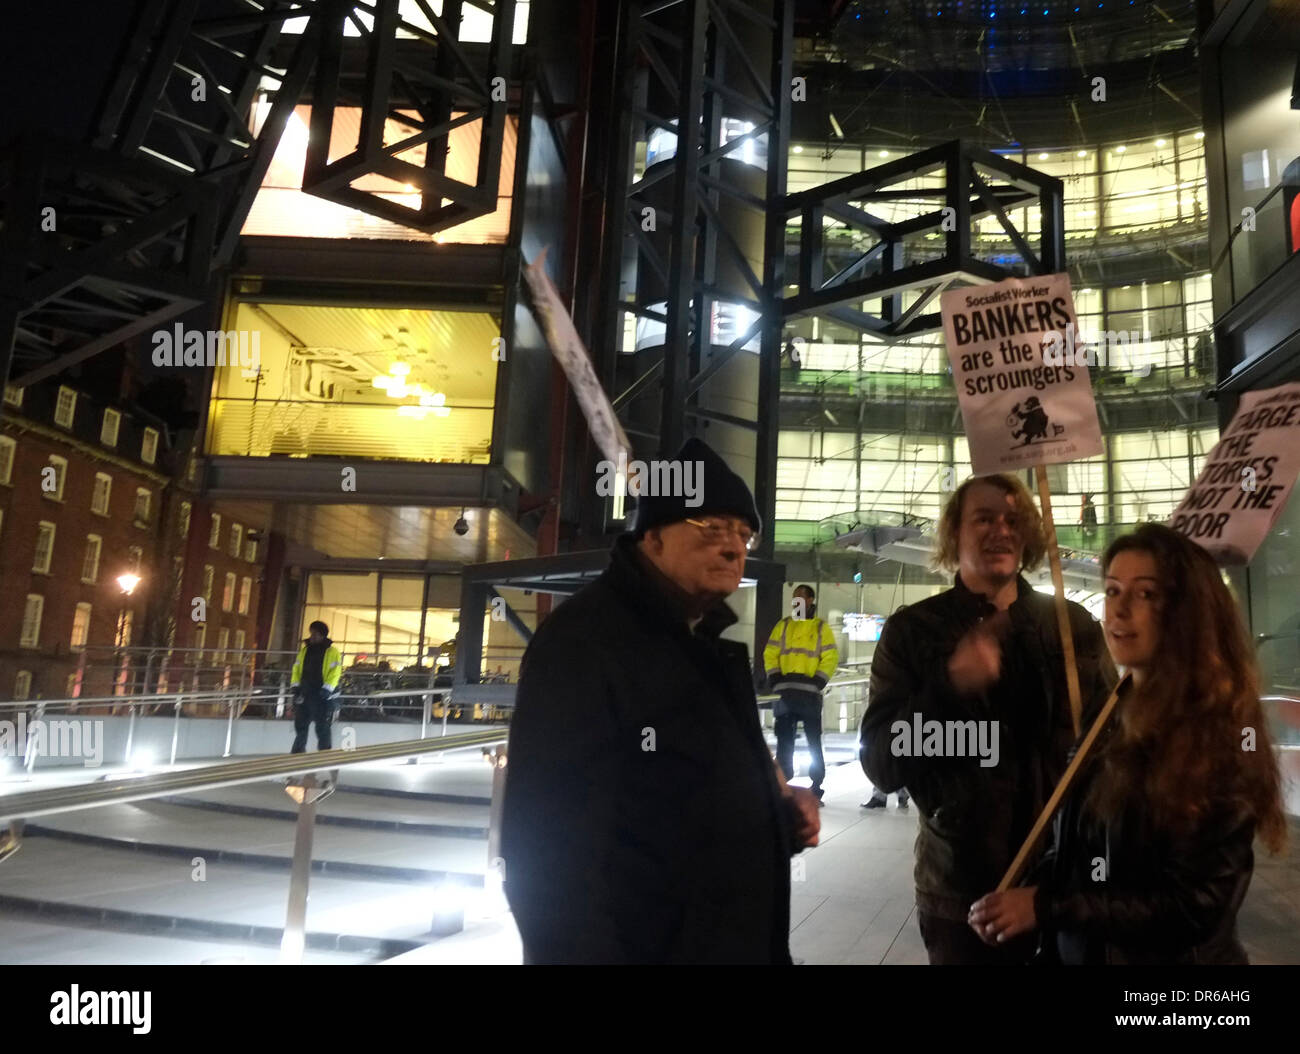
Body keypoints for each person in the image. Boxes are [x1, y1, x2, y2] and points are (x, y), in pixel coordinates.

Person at [501, 437, 820, 964]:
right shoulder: (585, 643)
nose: (733, 546)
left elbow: (681, 811)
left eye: (744, 533)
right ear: (651, 538)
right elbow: (549, 859)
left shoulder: (706, 645)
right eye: (710, 527)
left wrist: (776, 816)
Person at [969, 523, 1288, 964]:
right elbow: (1084, 850)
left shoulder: (1219, 733)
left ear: (1187, 611)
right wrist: (1030, 898)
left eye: (1145, 594)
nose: (1118, 610)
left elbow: (1195, 906)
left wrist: (1046, 907)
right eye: (1114, 590)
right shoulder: (1112, 706)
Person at [859, 474, 1116, 964]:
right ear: (955, 532)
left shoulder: (1071, 626)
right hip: (963, 894)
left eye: (1013, 520)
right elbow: (881, 764)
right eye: (984, 518)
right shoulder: (912, 632)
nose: (1001, 529)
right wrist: (949, 688)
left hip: (1066, 887)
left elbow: (1111, 746)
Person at [764, 585, 838, 805]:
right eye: (794, 597)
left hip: (809, 695)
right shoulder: (784, 625)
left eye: (800, 597)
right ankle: (784, 784)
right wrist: (775, 678)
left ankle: (816, 787)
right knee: (784, 743)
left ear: (811, 600)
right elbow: (770, 653)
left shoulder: (820, 627)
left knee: (814, 743)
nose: (796, 600)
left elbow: (830, 656)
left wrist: (819, 680)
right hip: (785, 694)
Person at [289, 620, 343, 753]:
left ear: (322, 635)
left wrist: (327, 689)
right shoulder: (304, 651)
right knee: (300, 725)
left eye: (316, 633)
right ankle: (297, 753)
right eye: (311, 633)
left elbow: (335, 673)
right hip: (305, 693)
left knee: (322, 726)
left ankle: (324, 754)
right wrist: (295, 687)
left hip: (321, 695)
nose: (312, 636)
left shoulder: (332, 652)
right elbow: (296, 669)